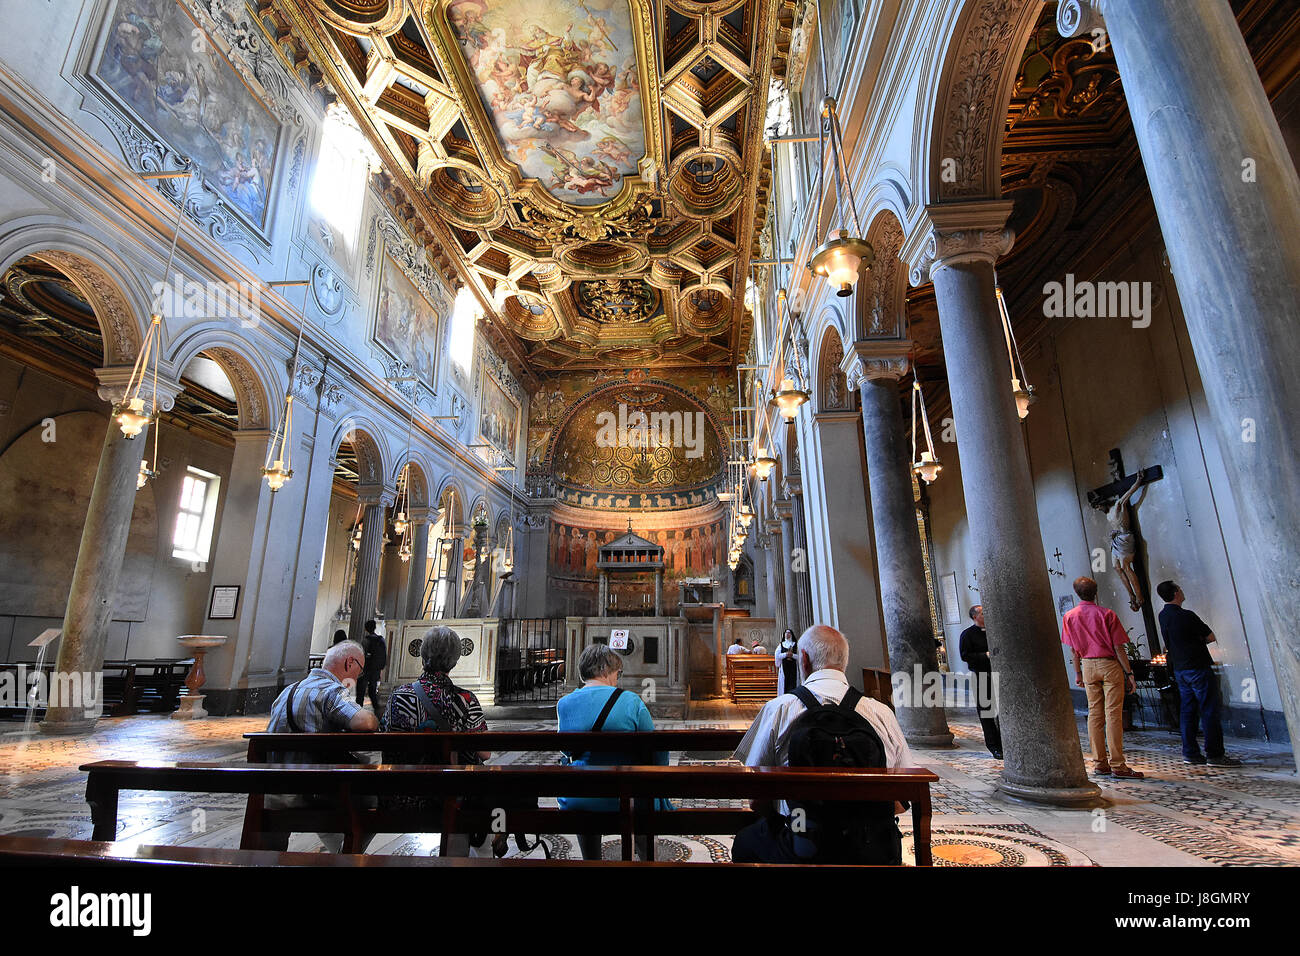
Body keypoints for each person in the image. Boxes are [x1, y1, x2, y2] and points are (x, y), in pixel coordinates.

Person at [731, 625, 913, 864]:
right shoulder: (881, 713)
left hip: (804, 845)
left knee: (745, 842)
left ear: (803, 659)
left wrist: (797, 818)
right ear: (845, 661)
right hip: (870, 849)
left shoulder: (780, 709)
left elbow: (756, 798)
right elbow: (903, 796)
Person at [382, 625, 494, 856]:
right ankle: (485, 851)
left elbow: (386, 740)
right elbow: (485, 753)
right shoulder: (465, 699)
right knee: (494, 808)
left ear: (423, 655)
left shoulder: (399, 696)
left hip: (402, 796)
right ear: (454, 661)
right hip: (451, 797)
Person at [262, 641, 378, 852]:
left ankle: (333, 851)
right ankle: (347, 854)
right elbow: (365, 722)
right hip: (314, 793)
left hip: (273, 792)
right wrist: (375, 718)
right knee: (376, 800)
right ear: (349, 662)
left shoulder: (286, 693)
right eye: (359, 671)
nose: (357, 678)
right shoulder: (331, 691)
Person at [556, 643, 666, 861]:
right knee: (644, 799)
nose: (618, 678)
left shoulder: (565, 704)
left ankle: (592, 860)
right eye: (618, 672)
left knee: (583, 787)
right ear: (606, 670)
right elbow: (654, 748)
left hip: (581, 795)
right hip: (626, 795)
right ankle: (645, 858)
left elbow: (566, 749)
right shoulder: (631, 701)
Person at [1061, 576, 1144, 779]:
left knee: (1095, 714)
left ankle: (1100, 763)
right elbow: (1118, 647)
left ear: (1077, 593)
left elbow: (1073, 650)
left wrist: (1078, 673)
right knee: (1113, 714)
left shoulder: (1069, 616)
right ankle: (1118, 764)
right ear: (1095, 592)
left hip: (1088, 665)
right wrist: (1129, 673)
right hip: (1108, 664)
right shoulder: (1106, 614)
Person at [1156, 581, 1241, 767]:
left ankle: (1190, 753)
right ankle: (1214, 754)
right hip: (1197, 666)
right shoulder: (1186, 615)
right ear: (1176, 593)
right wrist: (1197, 641)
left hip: (1180, 669)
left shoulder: (1163, 616)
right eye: (1180, 588)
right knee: (1209, 709)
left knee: (1188, 710)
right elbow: (1210, 637)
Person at [958, 605, 1002, 759]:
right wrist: (985, 655)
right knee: (987, 713)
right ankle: (994, 746)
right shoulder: (968, 635)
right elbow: (965, 656)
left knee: (1002, 711)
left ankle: (1006, 742)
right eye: (983, 613)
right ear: (975, 617)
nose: (986, 615)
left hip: (998, 675)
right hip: (981, 675)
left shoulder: (994, 631)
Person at [356, 620, 385, 711]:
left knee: (361, 691)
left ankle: (358, 710)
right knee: (372, 691)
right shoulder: (381, 640)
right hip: (376, 669)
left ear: (365, 629)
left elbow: (361, 655)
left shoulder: (366, 640)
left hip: (366, 669)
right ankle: (377, 710)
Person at [775, 627, 799, 696]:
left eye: (789, 633)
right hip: (785, 666)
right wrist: (786, 654)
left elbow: (800, 656)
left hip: (793, 666)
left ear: (791, 634)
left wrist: (792, 655)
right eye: (786, 633)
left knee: (793, 682)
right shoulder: (781, 645)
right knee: (784, 683)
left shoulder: (795, 644)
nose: (787, 634)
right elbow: (777, 655)